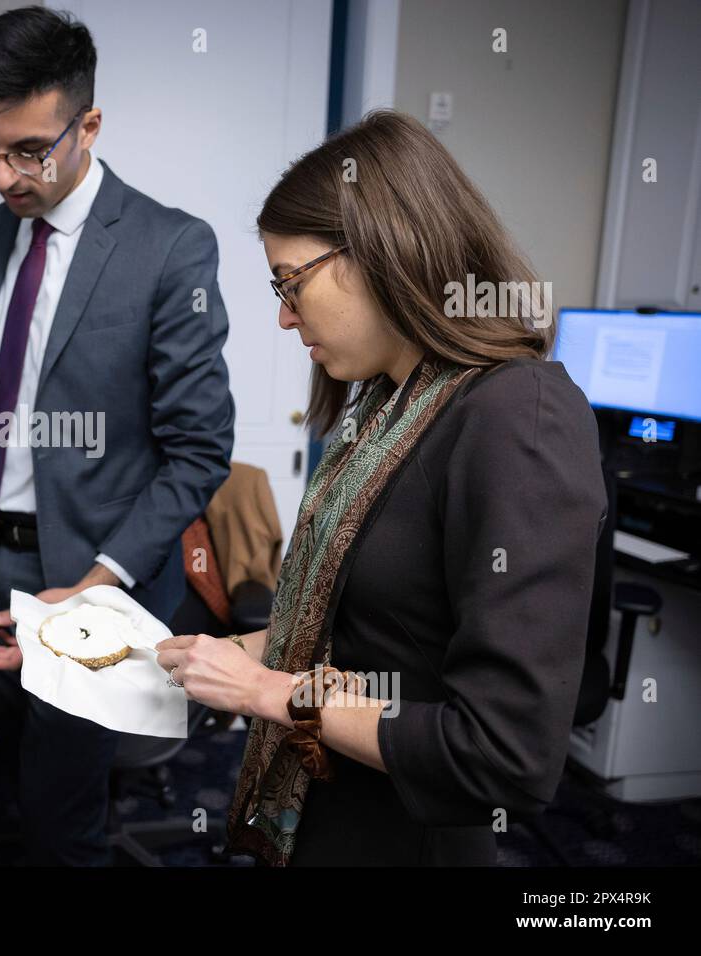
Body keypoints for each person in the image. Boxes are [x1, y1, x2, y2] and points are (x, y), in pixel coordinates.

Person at [157, 110, 607, 866]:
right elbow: (366, 630)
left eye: (291, 283)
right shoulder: (386, 407)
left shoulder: (517, 414)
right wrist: (203, 655)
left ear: (381, 252)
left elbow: (502, 751)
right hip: (333, 809)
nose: (282, 315)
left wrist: (271, 695)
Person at [0, 6, 234, 865]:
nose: (2, 176)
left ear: (89, 125)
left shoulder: (169, 248)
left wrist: (102, 582)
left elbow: (199, 450)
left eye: (28, 150)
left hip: (91, 587)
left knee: (62, 825)